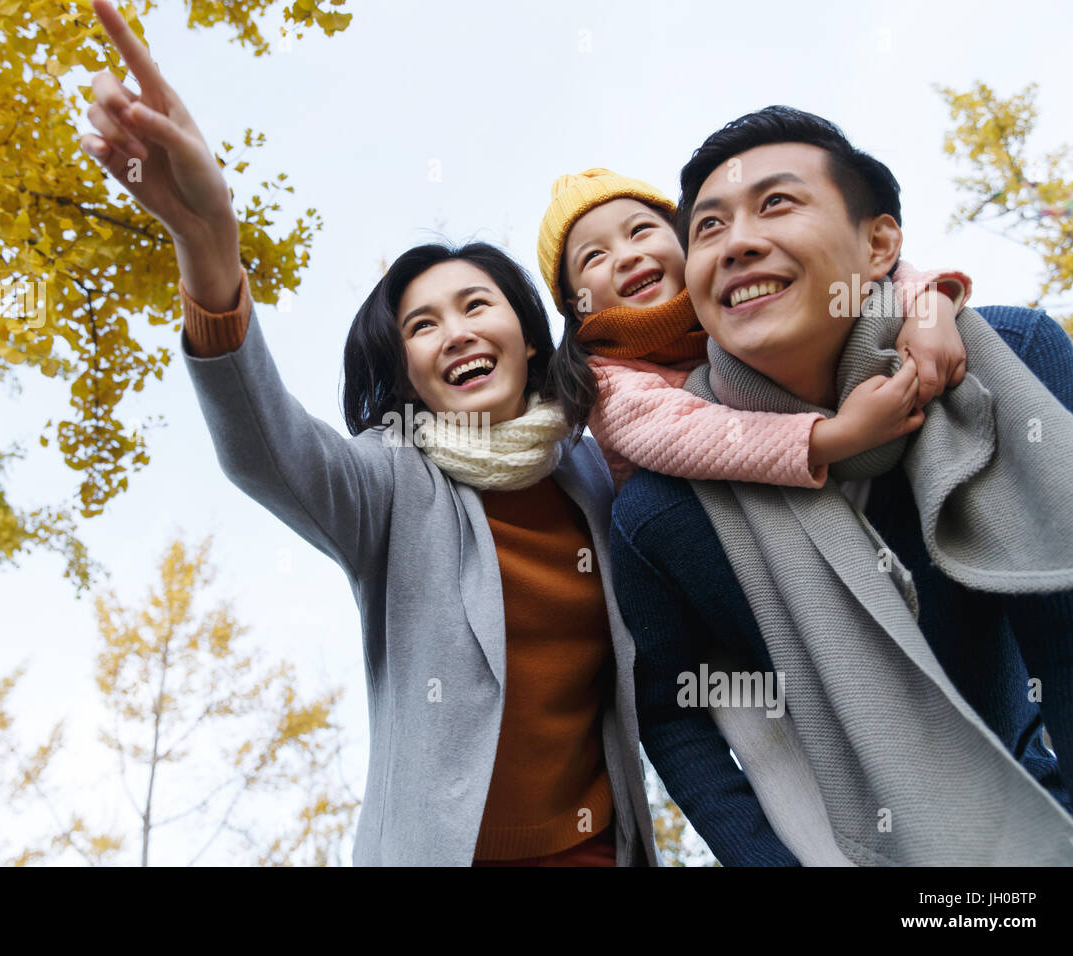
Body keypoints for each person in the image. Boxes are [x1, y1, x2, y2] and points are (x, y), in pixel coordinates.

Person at [78, 0, 659, 866]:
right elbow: (266, 450)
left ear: (529, 337)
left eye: (475, 305)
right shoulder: (391, 481)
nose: (455, 333)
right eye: (422, 326)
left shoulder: (594, 470)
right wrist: (209, 244)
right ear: (407, 372)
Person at [611, 105, 1073, 866]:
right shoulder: (664, 508)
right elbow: (673, 714)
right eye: (708, 228)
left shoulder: (1008, 362)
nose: (737, 243)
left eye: (777, 203)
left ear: (880, 245)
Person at [536, 167, 971, 493]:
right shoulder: (605, 380)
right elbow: (687, 435)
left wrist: (930, 307)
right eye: (594, 257)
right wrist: (838, 435)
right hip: (716, 512)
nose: (627, 256)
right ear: (576, 305)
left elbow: (857, 278)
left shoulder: (731, 295)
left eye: (640, 230)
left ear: (685, 241)